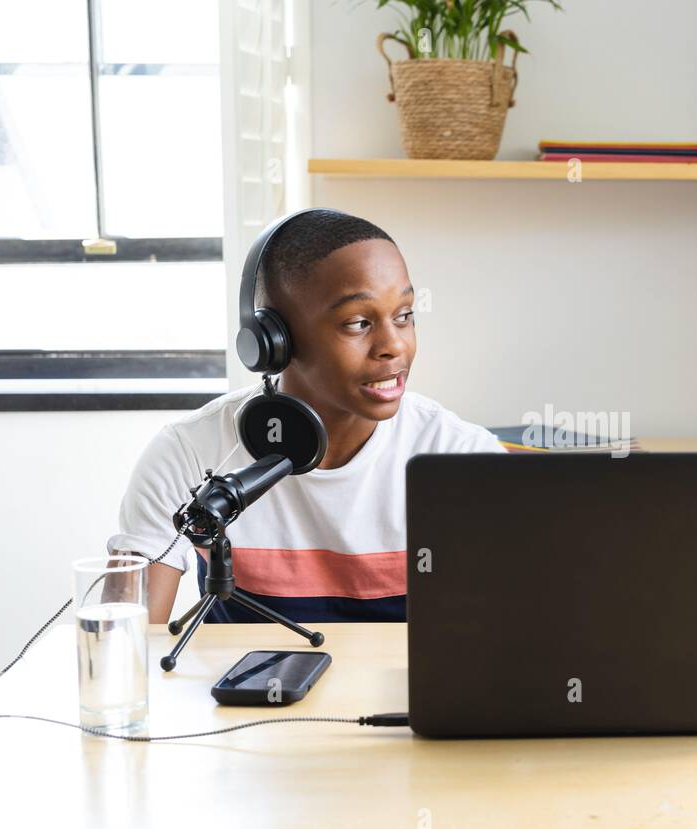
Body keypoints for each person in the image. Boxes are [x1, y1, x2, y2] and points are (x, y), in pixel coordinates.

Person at [108, 209, 504, 625]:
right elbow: (122, 641)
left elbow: (515, 629)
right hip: (247, 673)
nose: (394, 346)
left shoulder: (460, 455)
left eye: (404, 316)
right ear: (274, 341)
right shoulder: (189, 450)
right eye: (358, 323)